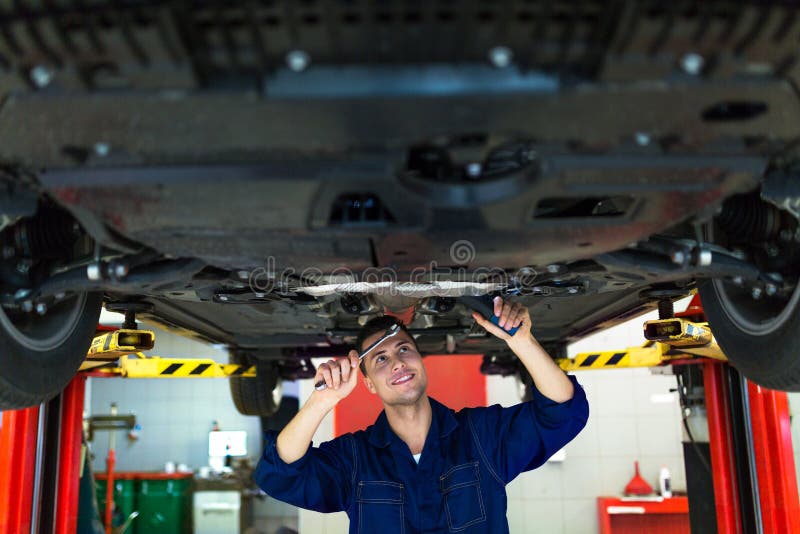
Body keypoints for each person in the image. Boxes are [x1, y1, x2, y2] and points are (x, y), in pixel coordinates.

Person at [254, 297, 589, 533]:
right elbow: (280, 475)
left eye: (404, 349)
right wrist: (321, 401)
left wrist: (522, 341)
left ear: (420, 362)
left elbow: (562, 412)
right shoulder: (353, 460)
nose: (398, 362)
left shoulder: (481, 437)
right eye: (380, 359)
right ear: (367, 383)